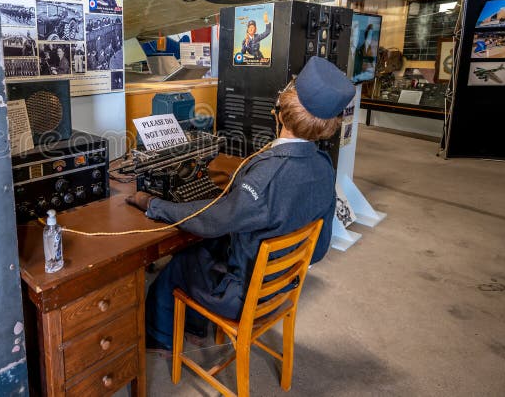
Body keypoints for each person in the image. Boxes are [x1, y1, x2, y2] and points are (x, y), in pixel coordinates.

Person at [126, 57, 355, 352]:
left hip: (245, 296)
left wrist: (153, 203)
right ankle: (195, 327)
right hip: (282, 288)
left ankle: (158, 338)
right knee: (205, 248)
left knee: (181, 263)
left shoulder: (266, 176)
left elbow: (209, 220)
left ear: (280, 114)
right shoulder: (324, 167)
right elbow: (319, 250)